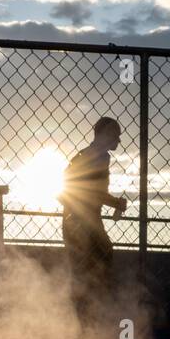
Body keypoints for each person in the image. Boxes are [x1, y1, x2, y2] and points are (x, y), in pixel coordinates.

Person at [61, 116, 127, 328]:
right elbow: (92, 193)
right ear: (106, 135)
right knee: (96, 263)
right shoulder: (97, 157)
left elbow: (72, 190)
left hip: (79, 221)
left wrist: (112, 203)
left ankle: (86, 324)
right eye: (116, 135)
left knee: (89, 267)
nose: (118, 140)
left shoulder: (87, 156)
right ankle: (89, 323)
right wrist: (116, 203)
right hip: (83, 221)